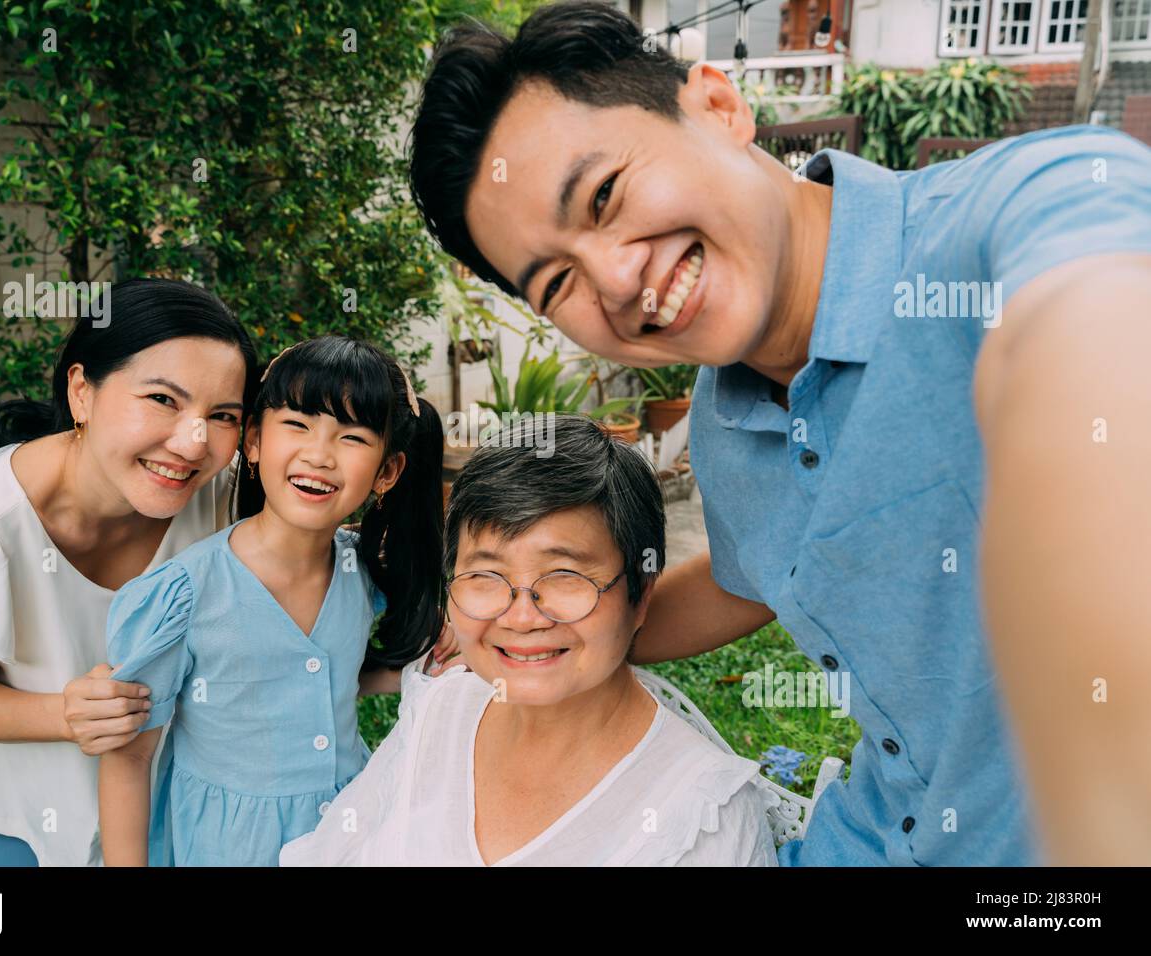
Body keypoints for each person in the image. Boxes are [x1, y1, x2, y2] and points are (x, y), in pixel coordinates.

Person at [406, 1, 1151, 865]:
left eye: (606, 194)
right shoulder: (725, 430)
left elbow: (1096, 349)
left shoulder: (1018, 213)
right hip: (869, 837)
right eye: (557, 280)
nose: (614, 279)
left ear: (717, 107)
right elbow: (747, 580)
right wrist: (527, 618)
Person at [0, 278, 254, 865]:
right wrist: (66, 714)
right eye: (162, 400)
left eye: (222, 415)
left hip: (116, 739)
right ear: (82, 391)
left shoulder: (222, 485)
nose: (193, 443)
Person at [279, 414, 780, 866]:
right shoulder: (441, 709)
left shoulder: (701, 815)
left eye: (564, 576)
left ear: (640, 594)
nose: (521, 616)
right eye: (485, 575)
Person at [98, 335, 445, 866]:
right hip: (231, 845)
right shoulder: (185, 594)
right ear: (254, 441)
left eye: (352, 437)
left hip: (350, 829)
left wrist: (425, 666)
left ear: (387, 473)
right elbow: (130, 755)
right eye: (298, 425)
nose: (319, 454)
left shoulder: (361, 571)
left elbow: (325, 677)